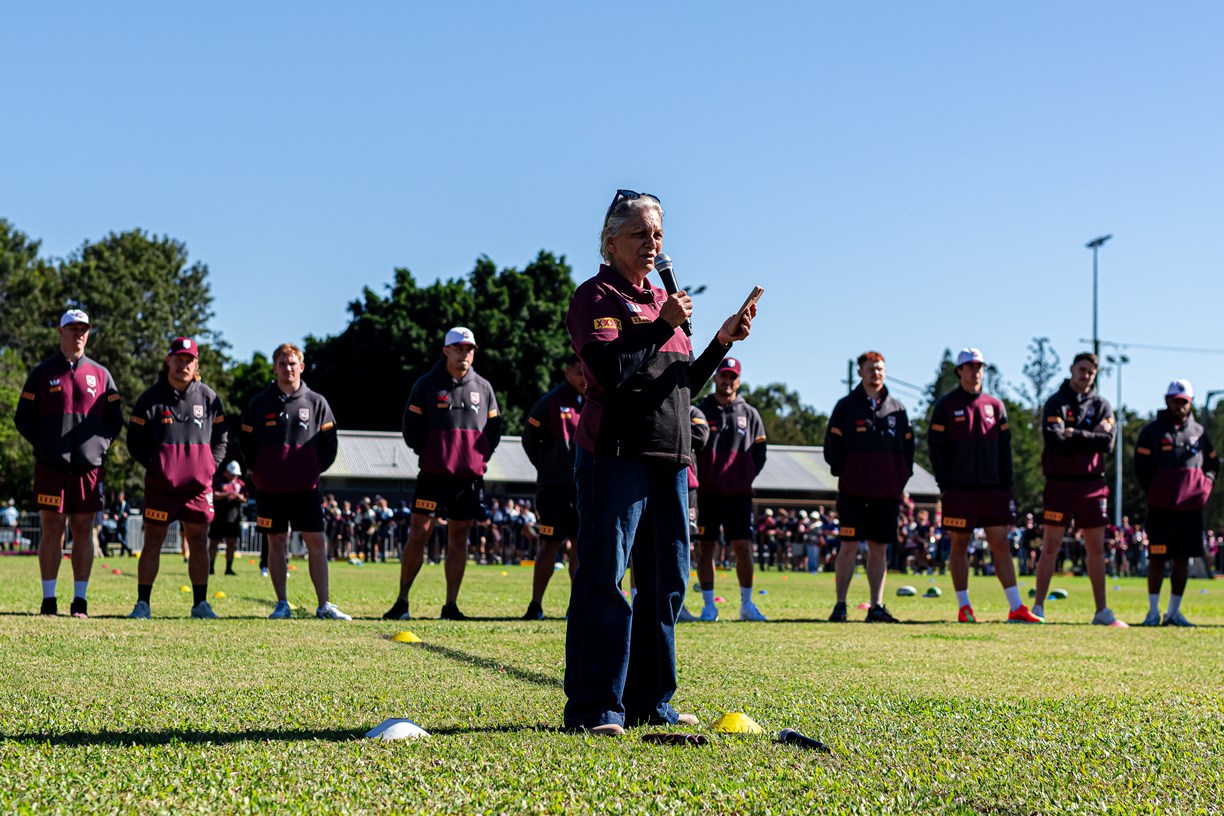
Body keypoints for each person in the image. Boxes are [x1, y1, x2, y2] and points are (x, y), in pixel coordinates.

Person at [562, 189, 754, 736]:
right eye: (642, 234)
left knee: (667, 581)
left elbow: (684, 384)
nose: (654, 244)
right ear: (611, 241)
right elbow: (607, 370)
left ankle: (650, 700)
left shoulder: (662, 301)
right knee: (605, 578)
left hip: (671, 460)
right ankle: (597, 708)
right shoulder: (595, 297)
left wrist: (719, 341)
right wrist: (657, 324)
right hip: (615, 458)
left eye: (660, 235)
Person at [384, 326, 502, 621]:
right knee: (419, 534)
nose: (464, 354)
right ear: (446, 350)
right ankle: (402, 601)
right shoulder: (426, 384)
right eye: (459, 348)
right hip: (433, 475)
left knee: (459, 538)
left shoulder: (484, 387)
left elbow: (495, 428)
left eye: (469, 349)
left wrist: (479, 456)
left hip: (468, 478)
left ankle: (451, 605)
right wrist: (430, 452)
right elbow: (410, 426)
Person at [14, 309, 123, 618]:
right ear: (60, 332)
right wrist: (47, 445)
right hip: (51, 466)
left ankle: (80, 600)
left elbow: (115, 419)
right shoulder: (42, 372)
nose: (79, 334)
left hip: (89, 467)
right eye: (72, 328)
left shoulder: (101, 374)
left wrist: (97, 447)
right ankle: (49, 600)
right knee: (51, 528)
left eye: (84, 329)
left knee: (84, 527)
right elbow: (22, 417)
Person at [927, 348, 1041, 623]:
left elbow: (1005, 449)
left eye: (979, 366)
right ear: (959, 371)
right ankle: (964, 606)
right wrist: (945, 484)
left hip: (994, 489)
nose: (975, 371)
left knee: (1000, 543)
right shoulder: (946, 405)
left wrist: (1007, 485)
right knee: (959, 543)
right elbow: (935, 448)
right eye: (970, 366)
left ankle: (1016, 607)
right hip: (959, 489)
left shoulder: (995, 405)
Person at [239, 342, 350, 620]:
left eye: (293, 363)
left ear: (301, 366)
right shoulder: (258, 403)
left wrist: (311, 469)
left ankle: (324, 605)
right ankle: (282, 604)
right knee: (276, 541)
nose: (288, 368)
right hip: (270, 489)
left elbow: (329, 445)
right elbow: (246, 443)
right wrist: (261, 469)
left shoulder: (316, 402)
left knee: (316, 542)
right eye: (282, 363)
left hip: (306, 488)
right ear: (275, 367)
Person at [125, 338, 228, 619]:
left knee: (198, 540)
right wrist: (158, 465)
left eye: (189, 360)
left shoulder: (209, 398)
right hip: (161, 485)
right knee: (153, 540)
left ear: (196, 364)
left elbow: (221, 440)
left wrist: (208, 467)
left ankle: (200, 604)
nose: (183, 365)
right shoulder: (150, 398)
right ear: (168, 360)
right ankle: (143, 604)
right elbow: (134, 441)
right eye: (178, 359)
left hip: (197, 487)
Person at [1033, 353, 1125, 626]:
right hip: (1059, 483)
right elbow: (1055, 441)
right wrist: (1088, 436)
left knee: (1096, 548)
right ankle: (1038, 607)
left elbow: (1106, 443)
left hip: (1092, 485)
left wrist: (1073, 432)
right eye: (1082, 369)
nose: (1086, 375)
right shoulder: (1056, 402)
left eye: (1091, 372)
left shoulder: (1102, 406)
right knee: (1050, 545)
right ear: (1072, 368)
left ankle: (1102, 611)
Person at [824, 351, 914, 623]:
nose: (876, 372)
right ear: (860, 372)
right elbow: (832, 448)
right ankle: (840, 605)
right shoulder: (846, 406)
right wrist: (848, 474)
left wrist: (898, 480)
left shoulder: (897, 409)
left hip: (886, 494)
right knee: (848, 547)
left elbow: (908, 451)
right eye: (871, 368)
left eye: (880, 368)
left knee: (879, 549)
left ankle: (876, 606)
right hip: (853, 493)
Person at [687, 357, 768, 621]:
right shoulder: (700, 410)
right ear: (715, 378)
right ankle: (709, 606)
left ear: (739, 381)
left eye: (732, 376)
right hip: (707, 493)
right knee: (706, 548)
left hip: (738, 495)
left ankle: (746, 604)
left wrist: (742, 477)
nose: (727, 381)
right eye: (723, 375)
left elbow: (760, 453)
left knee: (743, 547)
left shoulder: (750, 414)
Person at [1134, 379, 1218, 626]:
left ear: (1190, 402)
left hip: (1190, 508)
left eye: (1183, 401)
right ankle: (1152, 612)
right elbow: (1141, 468)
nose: (1178, 405)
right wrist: (1156, 489)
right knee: (1157, 558)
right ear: (1166, 400)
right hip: (1161, 507)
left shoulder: (1200, 433)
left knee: (1183, 560)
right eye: (1174, 400)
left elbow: (1213, 464)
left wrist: (1204, 486)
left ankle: (1174, 613)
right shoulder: (1152, 431)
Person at [521, 354, 586, 620]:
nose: (585, 378)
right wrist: (548, 468)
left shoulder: (597, 400)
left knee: (580, 548)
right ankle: (536, 604)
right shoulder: (550, 402)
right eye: (580, 372)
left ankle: (578, 606)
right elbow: (529, 439)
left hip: (584, 490)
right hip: (554, 491)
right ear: (567, 371)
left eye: (588, 372)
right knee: (549, 545)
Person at [208, 461, 248, 576]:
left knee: (231, 543)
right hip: (218, 516)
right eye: (233, 474)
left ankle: (228, 568)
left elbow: (246, 498)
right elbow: (213, 494)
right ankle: (210, 567)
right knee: (214, 542)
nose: (235, 476)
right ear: (227, 472)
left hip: (233, 517)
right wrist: (226, 494)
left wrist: (239, 497)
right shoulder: (218, 481)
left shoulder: (240, 483)